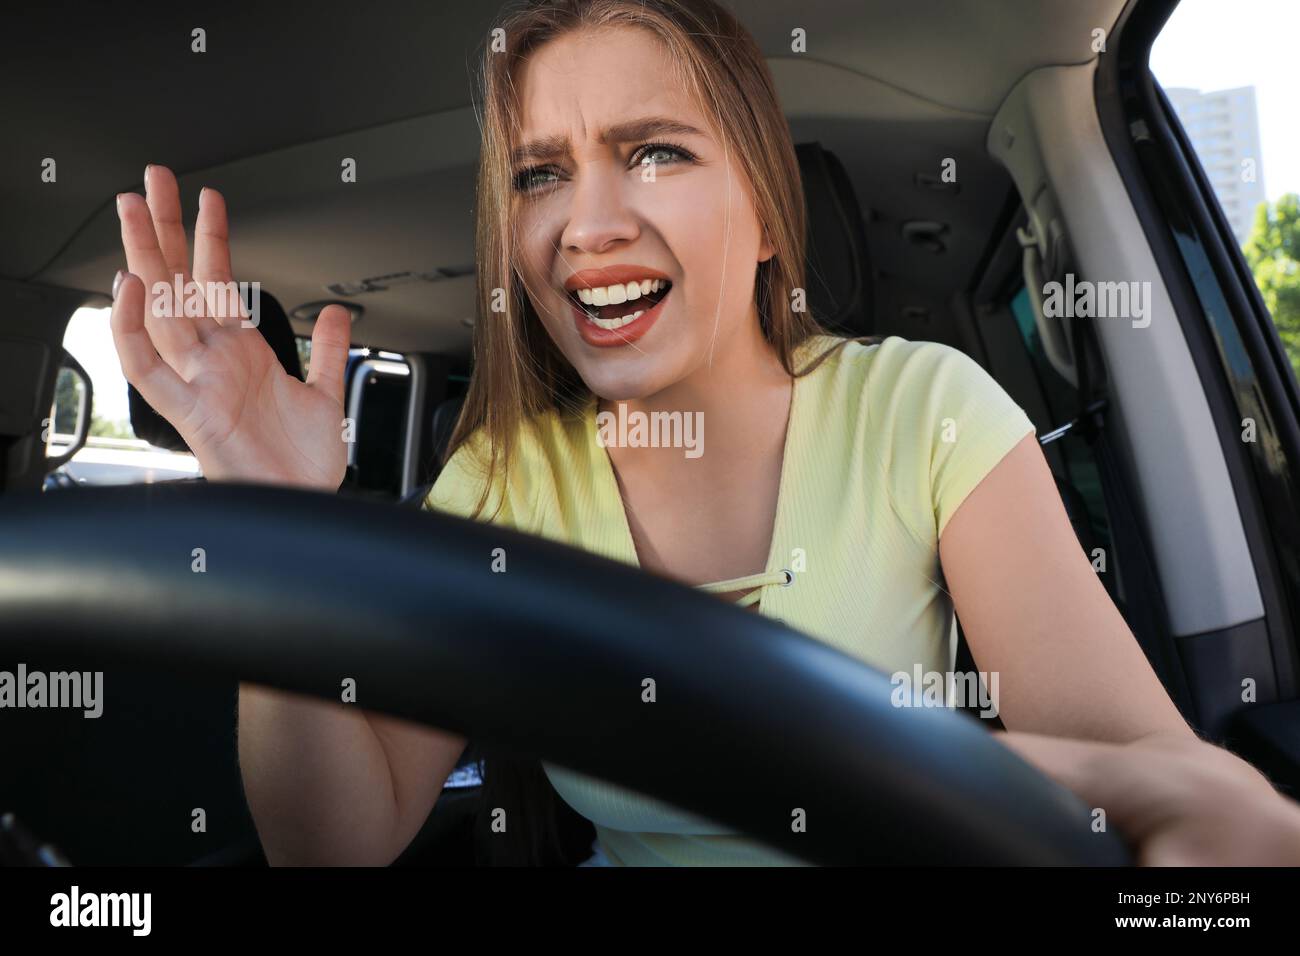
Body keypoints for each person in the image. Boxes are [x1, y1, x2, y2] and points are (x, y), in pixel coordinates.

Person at [107, 0, 1296, 865]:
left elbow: (1145, 787)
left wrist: (1170, 805)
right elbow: (336, 844)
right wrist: (278, 515)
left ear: (768, 217)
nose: (588, 223)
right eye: (539, 174)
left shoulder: (923, 410)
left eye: (654, 152)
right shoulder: (503, 479)